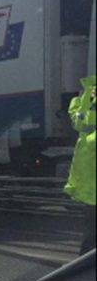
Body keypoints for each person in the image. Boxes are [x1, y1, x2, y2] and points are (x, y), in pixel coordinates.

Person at [64, 74, 95, 255]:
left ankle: (83, 263)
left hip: (88, 167)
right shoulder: (88, 94)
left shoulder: (85, 94)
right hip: (90, 167)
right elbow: (80, 122)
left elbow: (79, 122)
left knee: (91, 227)